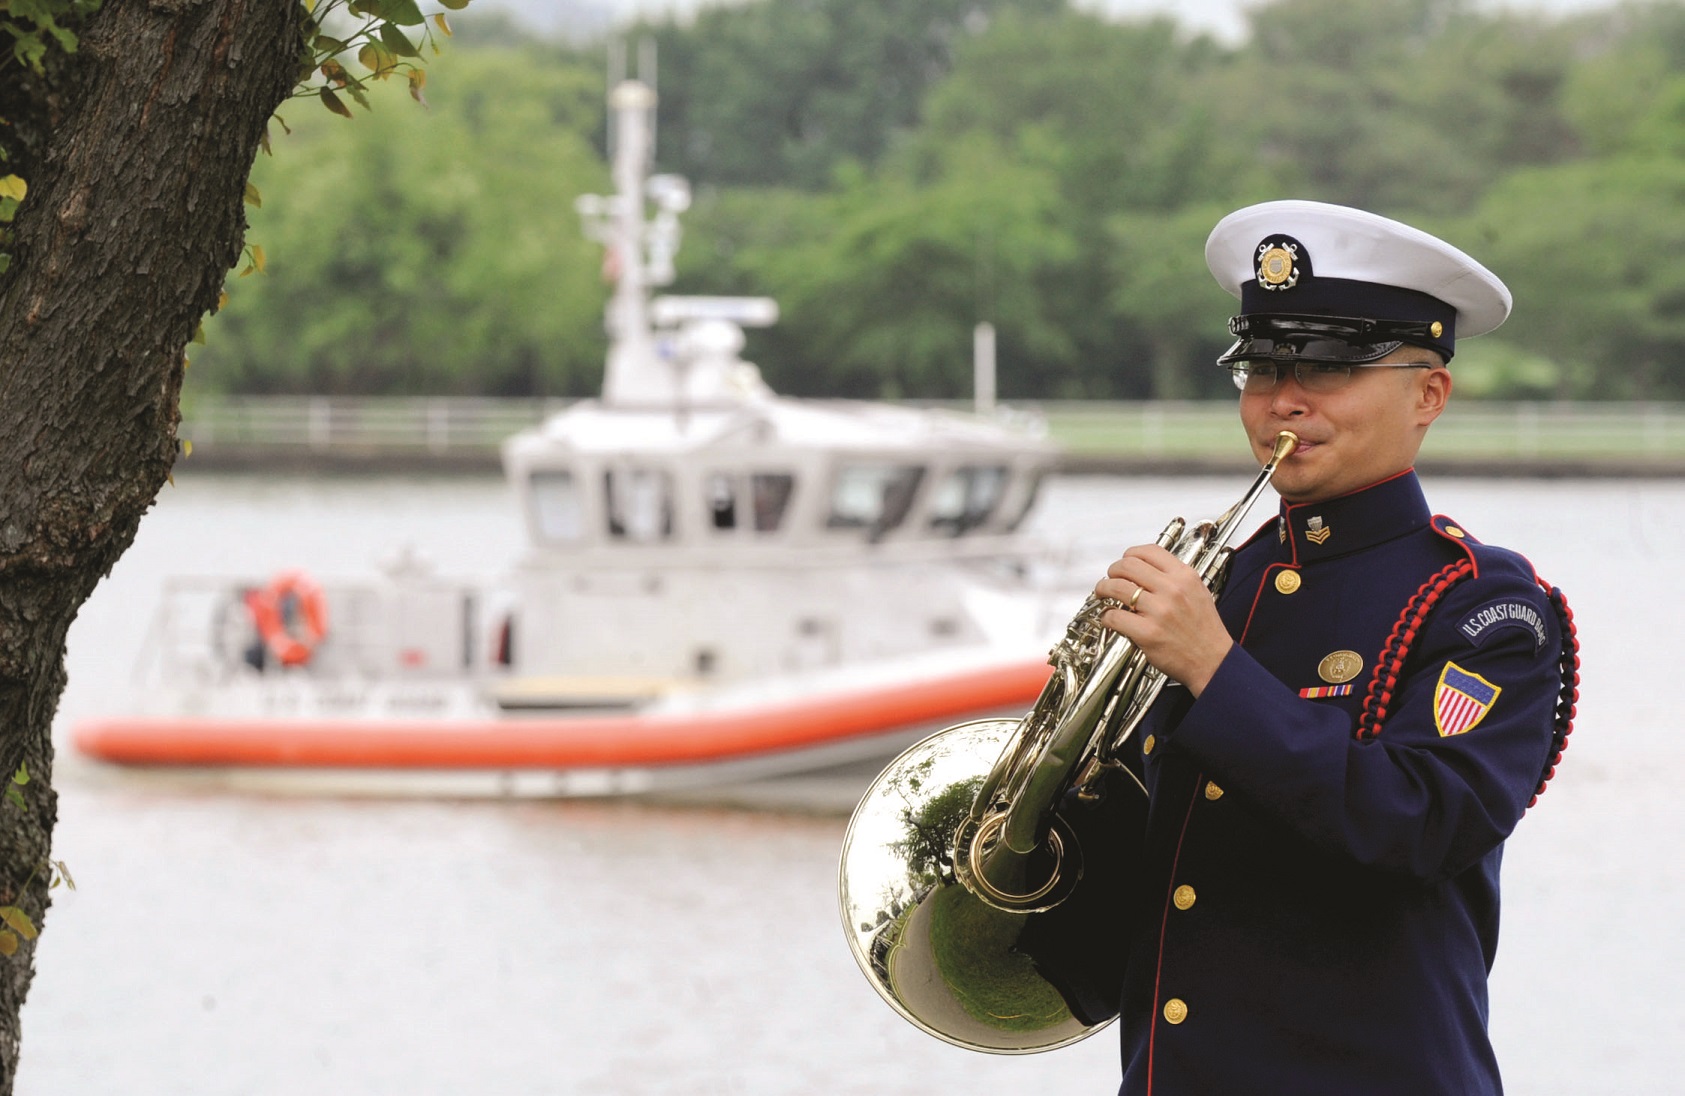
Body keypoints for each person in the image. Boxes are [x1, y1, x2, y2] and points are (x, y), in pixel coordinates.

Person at [1093, 200, 1579, 1095]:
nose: (1285, 399)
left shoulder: (1482, 606)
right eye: (1264, 366)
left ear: (1428, 393)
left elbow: (1423, 824)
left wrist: (1211, 665)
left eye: (1330, 368)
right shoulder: (1226, 581)